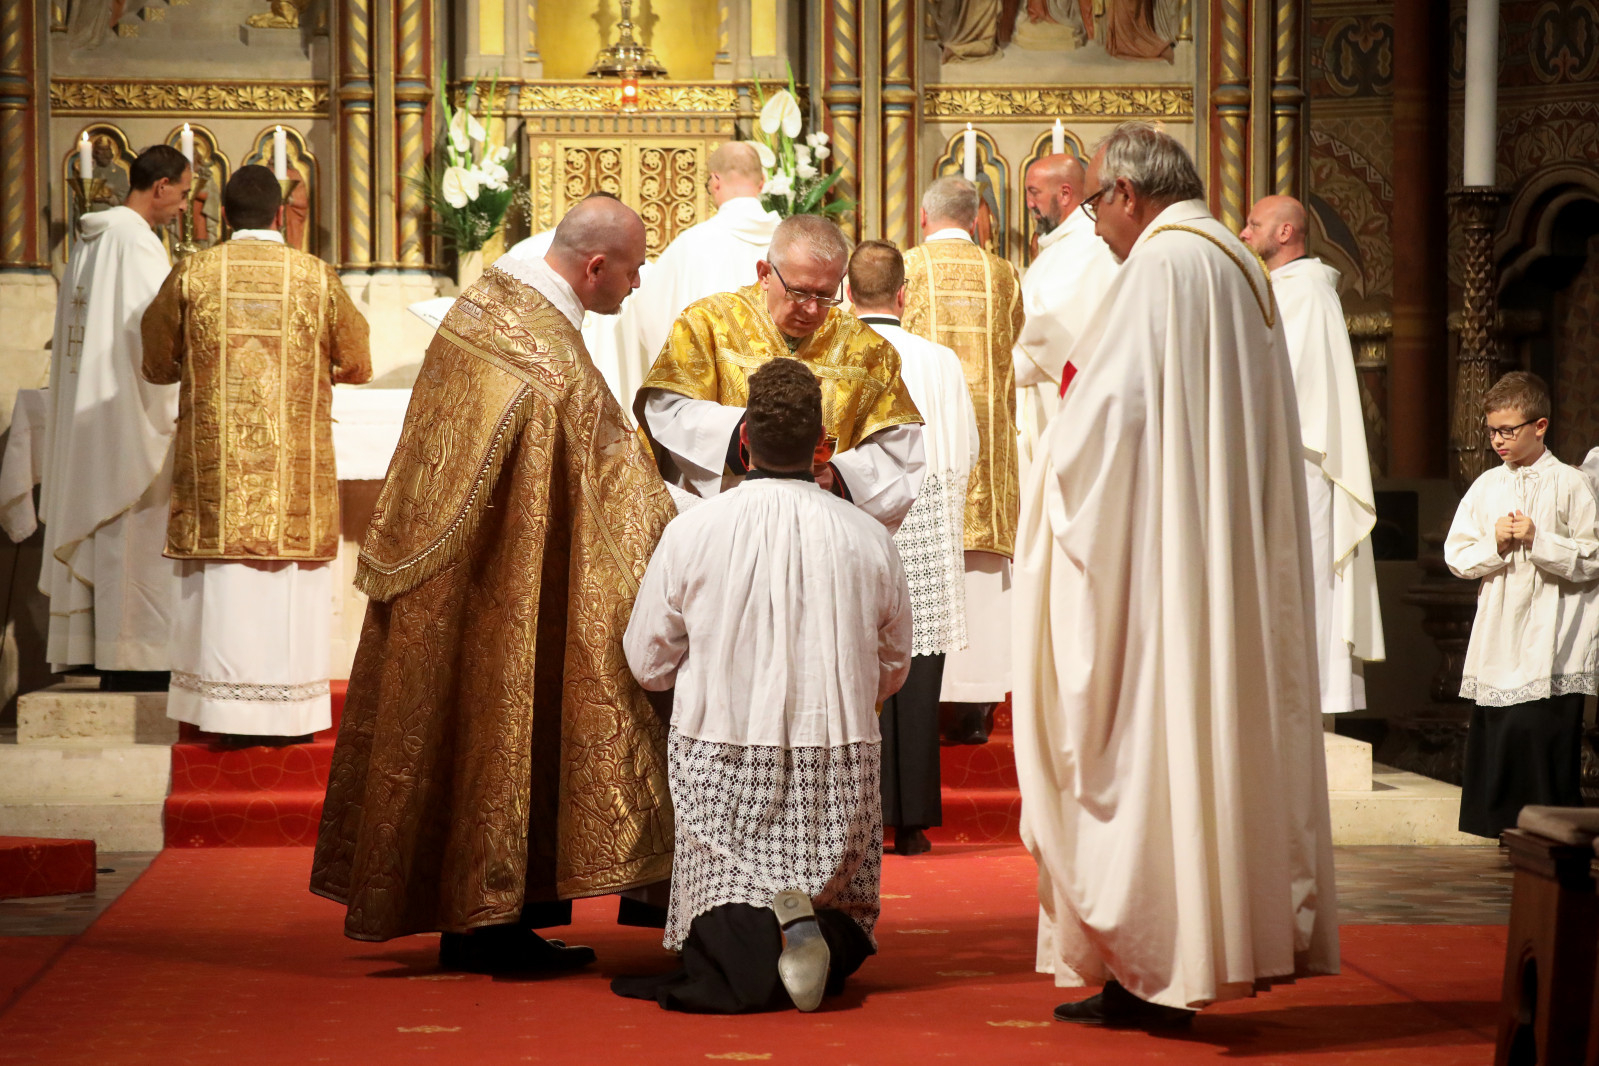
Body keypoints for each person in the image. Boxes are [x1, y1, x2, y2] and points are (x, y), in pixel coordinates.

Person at [1013, 121, 1338, 1028]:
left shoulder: (1160, 266)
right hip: (1210, 559)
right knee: (1203, 752)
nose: (1096, 230)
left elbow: (1101, 429)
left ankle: (1155, 970)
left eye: (1095, 209)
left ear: (1125, 193)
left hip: (1158, 571)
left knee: (1145, 750)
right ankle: (1192, 953)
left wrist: (1047, 449)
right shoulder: (1234, 265)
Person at [311, 196, 678, 973]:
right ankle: (489, 920)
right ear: (593, 267)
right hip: (505, 585)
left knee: (477, 731)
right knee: (503, 723)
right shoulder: (547, 356)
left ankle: (478, 915)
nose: (638, 284)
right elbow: (619, 483)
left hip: (473, 580)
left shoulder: (484, 306)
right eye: (634, 268)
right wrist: (689, 539)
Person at [615, 357, 912, 1013]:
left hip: (721, 753)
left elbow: (647, 663)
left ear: (743, 438)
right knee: (833, 883)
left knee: (727, 890)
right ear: (822, 446)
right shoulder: (870, 538)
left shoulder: (691, 530)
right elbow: (893, 669)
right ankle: (814, 926)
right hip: (838, 761)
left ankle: (755, 941)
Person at [140, 165, 372, 743]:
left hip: (217, 480)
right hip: (292, 478)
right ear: (279, 216)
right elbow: (358, 361)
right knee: (287, 597)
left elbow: (156, 360)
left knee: (221, 593)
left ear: (221, 215)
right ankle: (288, 715)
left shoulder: (194, 272)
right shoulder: (315, 277)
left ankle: (219, 713)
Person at [636, 213, 925, 532]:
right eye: (800, 292)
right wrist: (754, 439)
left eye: (826, 295)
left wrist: (838, 476)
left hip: (822, 529)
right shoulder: (706, 324)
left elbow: (899, 455)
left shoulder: (871, 352)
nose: (813, 309)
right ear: (764, 274)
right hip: (730, 528)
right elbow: (668, 412)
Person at [41, 143, 191, 686]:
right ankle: (135, 654)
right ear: (161, 186)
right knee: (134, 523)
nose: (182, 206)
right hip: (127, 406)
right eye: (182, 193)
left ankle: (90, 640)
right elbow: (156, 330)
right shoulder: (136, 243)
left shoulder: (91, 238)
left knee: (103, 520)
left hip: (92, 404)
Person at [849, 240, 978, 856]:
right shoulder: (942, 360)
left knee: (859, 668)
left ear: (847, 292)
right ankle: (915, 824)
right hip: (927, 526)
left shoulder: (844, 353)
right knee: (918, 677)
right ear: (905, 294)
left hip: (859, 523)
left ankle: (860, 817)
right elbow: (968, 449)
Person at [1241, 194, 1385, 716]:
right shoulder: (1279, 289)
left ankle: (1314, 698)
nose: (1242, 232)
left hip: (1303, 457)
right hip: (1279, 453)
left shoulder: (1305, 292)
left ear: (1285, 233)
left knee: (1308, 574)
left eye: (1253, 223)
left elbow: (1286, 381)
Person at [1445, 371, 1599, 839]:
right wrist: (1494, 543)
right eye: (1492, 430)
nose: (1498, 441)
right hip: (1500, 635)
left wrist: (1539, 539)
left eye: (1508, 430)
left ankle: (1548, 839)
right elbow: (1456, 555)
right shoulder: (1487, 486)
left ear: (1541, 425)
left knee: (1540, 737)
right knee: (1502, 736)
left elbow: (1593, 557)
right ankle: (1499, 830)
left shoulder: (1571, 483)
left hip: (1553, 640)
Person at [901, 176, 1025, 745]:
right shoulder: (1004, 274)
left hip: (927, 443)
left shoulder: (909, 269)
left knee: (925, 571)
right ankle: (975, 709)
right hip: (988, 445)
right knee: (981, 576)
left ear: (925, 218)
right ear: (975, 220)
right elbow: (1014, 337)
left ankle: (922, 699)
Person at [630, 142, 783, 378]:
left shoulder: (690, 244)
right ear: (762, 181)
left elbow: (649, 318)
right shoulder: (792, 241)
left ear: (715, 180)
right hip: (780, 386)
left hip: (711, 392)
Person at [1011, 153, 1118, 471]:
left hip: (1067, 402)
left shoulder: (1088, 243)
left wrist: (996, 355)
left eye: (1034, 193)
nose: (1029, 203)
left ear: (1066, 194)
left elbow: (1049, 324)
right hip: (1044, 396)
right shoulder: (1060, 244)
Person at [506, 191, 649, 407]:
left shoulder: (503, 278)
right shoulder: (556, 359)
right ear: (596, 268)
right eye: (632, 272)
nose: (637, 282)